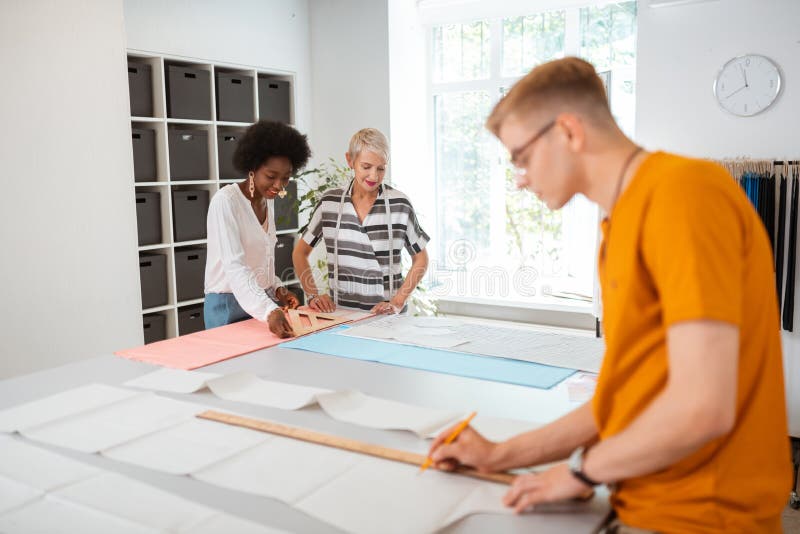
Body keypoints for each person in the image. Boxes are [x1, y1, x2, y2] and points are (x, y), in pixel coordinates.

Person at [427, 57, 791, 533]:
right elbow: (623, 402)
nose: (519, 178)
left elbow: (702, 408)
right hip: (637, 501)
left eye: (520, 157)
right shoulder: (618, 223)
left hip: (703, 517)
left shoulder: (683, 195)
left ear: (569, 131)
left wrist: (579, 472)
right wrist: (500, 454)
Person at [293, 128, 429, 314]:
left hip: (388, 318)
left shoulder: (400, 204)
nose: (374, 176)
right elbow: (300, 253)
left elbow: (421, 258)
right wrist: (313, 295)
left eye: (381, 168)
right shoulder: (329, 203)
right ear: (350, 160)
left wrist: (397, 301)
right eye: (366, 167)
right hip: (341, 316)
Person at [204, 120, 309, 337]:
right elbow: (235, 267)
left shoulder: (266, 200)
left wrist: (277, 288)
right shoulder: (226, 202)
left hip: (261, 302)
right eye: (271, 176)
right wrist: (269, 310)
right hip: (227, 306)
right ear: (252, 168)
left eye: (286, 178)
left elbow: (262, 258)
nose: (279, 185)